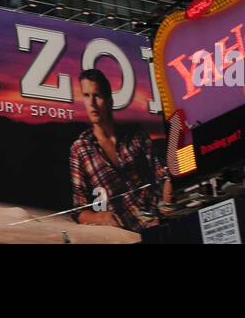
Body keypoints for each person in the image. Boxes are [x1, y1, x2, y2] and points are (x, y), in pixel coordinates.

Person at [69, 67, 172, 233]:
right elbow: (79, 210)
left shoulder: (136, 134)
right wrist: (100, 218)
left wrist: (167, 206)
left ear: (109, 100)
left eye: (97, 95)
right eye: (86, 96)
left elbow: (163, 176)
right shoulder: (80, 149)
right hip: (124, 234)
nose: (92, 103)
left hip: (158, 225)